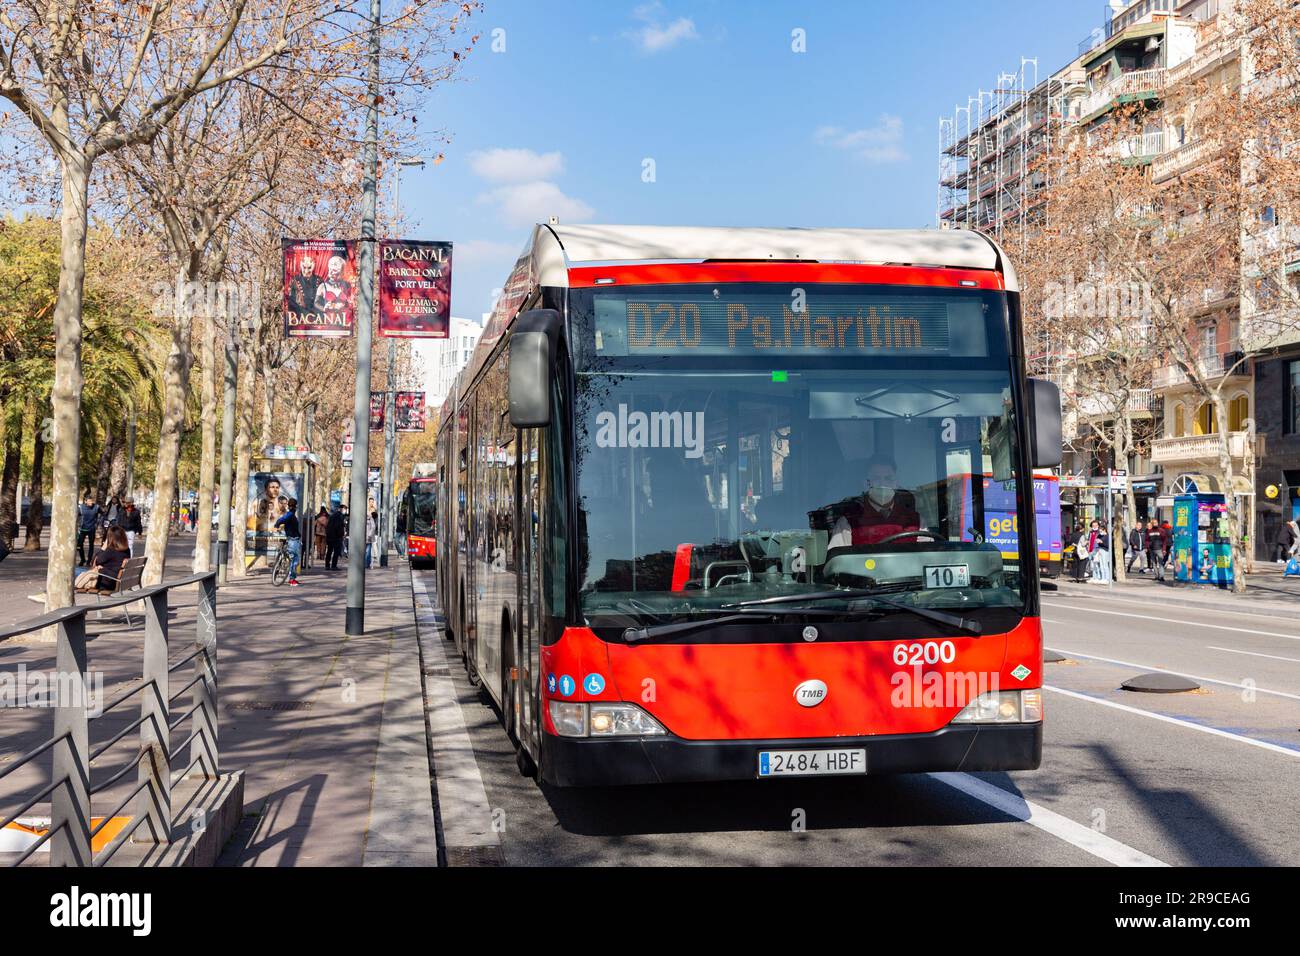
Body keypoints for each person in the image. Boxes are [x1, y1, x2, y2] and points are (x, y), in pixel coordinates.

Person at [828, 457, 921, 548]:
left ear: (896, 483)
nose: (882, 483)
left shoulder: (916, 521)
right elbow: (838, 561)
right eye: (876, 478)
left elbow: (927, 557)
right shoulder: (848, 522)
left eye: (888, 478)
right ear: (866, 484)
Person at [74, 526, 132, 592]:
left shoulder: (110, 550)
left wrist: (103, 548)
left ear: (110, 538)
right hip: (117, 581)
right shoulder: (127, 550)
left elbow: (94, 562)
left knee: (76, 571)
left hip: (106, 583)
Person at [274, 497, 302, 585]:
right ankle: (291, 579)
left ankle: (291, 577)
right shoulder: (290, 515)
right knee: (295, 560)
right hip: (293, 540)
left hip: (293, 539)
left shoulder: (290, 514)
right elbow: (282, 520)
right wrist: (277, 525)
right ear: (295, 506)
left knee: (293, 558)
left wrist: (277, 525)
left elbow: (282, 520)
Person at [287, 255, 321, 319]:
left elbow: (322, 301)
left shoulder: (319, 281)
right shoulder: (294, 280)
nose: (306, 271)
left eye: (309, 268)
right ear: (301, 266)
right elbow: (291, 301)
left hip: (317, 316)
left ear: (313, 267)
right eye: (304, 267)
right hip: (299, 316)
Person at [76, 494, 101, 565]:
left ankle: (89, 561)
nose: (91, 502)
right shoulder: (80, 507)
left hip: (91, 529)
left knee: (91, 545)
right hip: (82, 529)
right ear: (85, 501)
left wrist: (97, 523)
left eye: (92, 501)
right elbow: (76, 516)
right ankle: (82, 559)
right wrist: (77, 525)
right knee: (79, 545)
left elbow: (103, 514)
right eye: (89, 501)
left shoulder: (96, 507)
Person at [1086, 519, 1111, 583]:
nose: (1094, 526)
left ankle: (1100, 577)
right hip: (1091, 549)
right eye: (1093, 525)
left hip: (1098, 549)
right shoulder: (1091, 532)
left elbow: (1104, 541)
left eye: (1096, 525)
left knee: (1099, 564)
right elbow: (1090, 539)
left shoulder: (1099, 532)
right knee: (1093, 565)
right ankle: (1095, 577)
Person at [325, 504, 347, 570]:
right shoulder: (339, 516)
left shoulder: (332, 515)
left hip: (330, 536)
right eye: (345, 509)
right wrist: (341, 534)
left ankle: (327, 565)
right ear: (342, 509)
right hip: (336, 537)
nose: (345, 511)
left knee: (329, 551)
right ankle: (334, 566)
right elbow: (338, 527)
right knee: (336, 551)